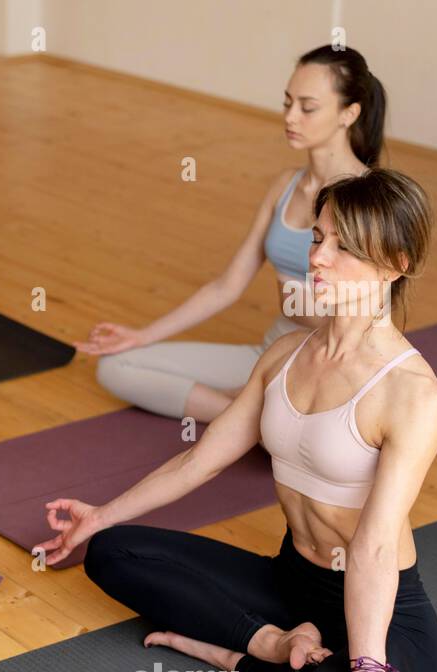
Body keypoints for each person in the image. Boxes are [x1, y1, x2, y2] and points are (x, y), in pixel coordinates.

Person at [39, 169, 437, 672]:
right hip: (291, 582)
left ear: (394, 264)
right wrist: (101, 514)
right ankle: (275, 646)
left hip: (385, 610)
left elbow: (376, 547)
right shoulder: (284, 358)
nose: (318, 258)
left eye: (342, 247)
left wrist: (367, 670)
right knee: (113, 551)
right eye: (318, 238)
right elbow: (200, 460)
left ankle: (233, 655)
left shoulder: (411, 394)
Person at [79, 45, 386, 422]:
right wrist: (142, 335)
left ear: (349, 113)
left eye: (307, 107)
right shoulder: (286, 185)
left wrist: (298, 315)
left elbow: (373, 318)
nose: (290, 117)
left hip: (331, 366)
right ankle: (249, 420)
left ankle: (257, 414)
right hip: (275, 349)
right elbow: (227, 285)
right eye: (287, 102)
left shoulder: (370, 198)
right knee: (118, 366)